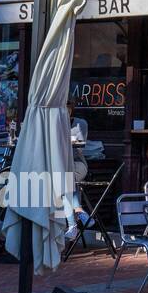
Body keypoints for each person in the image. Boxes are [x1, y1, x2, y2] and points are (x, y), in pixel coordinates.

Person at [63, 99, 90, 241]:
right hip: (60, 169)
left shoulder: (80, 123)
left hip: (77, 164)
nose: (66, 112)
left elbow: (78, 147)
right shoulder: (53, 125)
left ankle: (72, 226)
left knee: (63, 180)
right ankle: (78, 211)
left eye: (68, 109)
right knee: (63, 180)